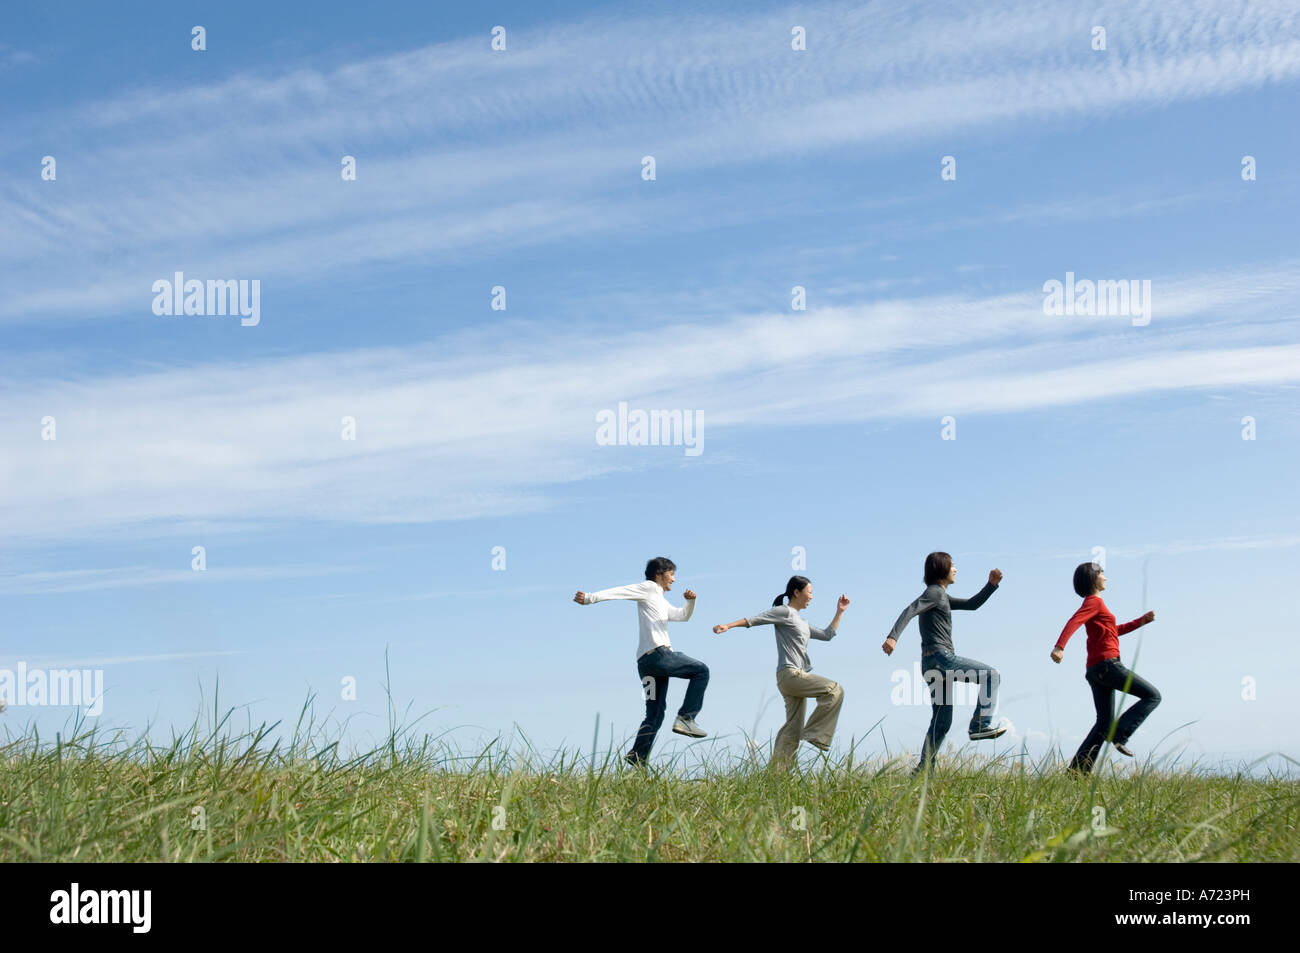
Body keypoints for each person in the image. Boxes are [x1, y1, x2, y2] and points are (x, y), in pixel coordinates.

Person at [882, 552, 1009, 775]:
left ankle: (923, 772)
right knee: (992, 675)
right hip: (941, 660)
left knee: (942, 720)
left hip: (931, 665)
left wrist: (991, 585)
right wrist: (893, 637)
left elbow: (972, 604)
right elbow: (910, 610)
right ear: (942, 568)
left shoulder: (940, 596)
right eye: (953, 566)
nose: (956, 570)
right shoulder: (933, 593)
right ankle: (980, 724)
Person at [574, 556, 708, 766]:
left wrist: (691, 602)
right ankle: (686, 718)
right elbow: (620, 591)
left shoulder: (659, 601)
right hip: (660, 657)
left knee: (654, 714)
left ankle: (638, 756)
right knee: (701, 671)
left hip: (646, 665)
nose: (673, 579)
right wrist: (591, 597)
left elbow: (682, 616)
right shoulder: (649, 588)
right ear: (659, 574)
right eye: (671, 574)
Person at [714, 577, 849, 768]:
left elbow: (827, 635)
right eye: (809, 592)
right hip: (790, 675)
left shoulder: (801, 621)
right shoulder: (784, 612)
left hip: (793, 678)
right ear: (796, 592)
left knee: (792, 730)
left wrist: (839, 612)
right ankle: (815, 734)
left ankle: (776, 776)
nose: (811, 596)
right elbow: (753, 620)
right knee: (834, 689)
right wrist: (728, 626)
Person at [1052, 562, 1159, 773]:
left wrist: (1142, 621)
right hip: (1108, 666)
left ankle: (1077, 771)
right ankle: (1120, 734)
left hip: (1095, 670)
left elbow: (1113, 631)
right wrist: (1059, 647)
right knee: (1152, 696)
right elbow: (1073, 621)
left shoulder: (1098, 605)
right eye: (1101, 573)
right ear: (1093, 579)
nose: (1105, 577)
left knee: (1103, 723)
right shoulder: (1094, 603)